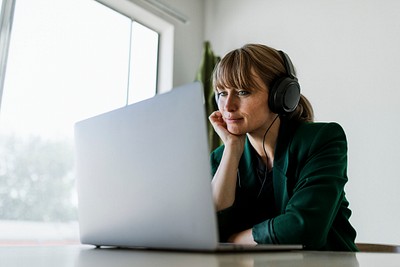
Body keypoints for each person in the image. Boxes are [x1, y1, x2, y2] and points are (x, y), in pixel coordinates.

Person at [208, 43, 358, 251]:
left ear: (280, 95)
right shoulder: (221, 158)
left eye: (243, 92)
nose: (228, 106)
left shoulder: (321, 140)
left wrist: (234, 240)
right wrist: (232, 148)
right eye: (222, 93)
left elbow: (304, 227)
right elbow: (207, 230)